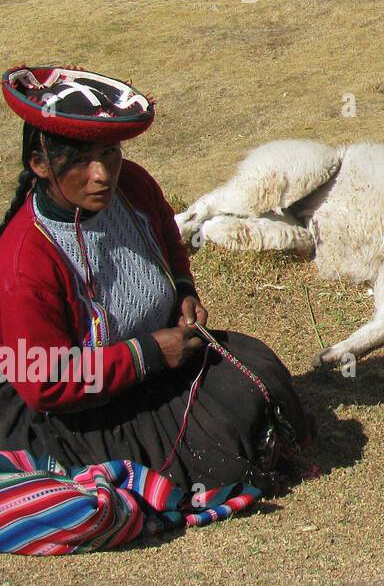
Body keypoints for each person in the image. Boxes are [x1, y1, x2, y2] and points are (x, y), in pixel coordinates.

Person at [0, 66, 310, 492]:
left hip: (155, 360)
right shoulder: (24, 260)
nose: (102, 174)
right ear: (39, 164)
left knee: (259, 368)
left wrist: (183, 292)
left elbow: (167, 240)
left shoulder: (133, 186)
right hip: (77, 409)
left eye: (109, 153)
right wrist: (148, 354)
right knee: (226, 430)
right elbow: (45, 381)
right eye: (82, 161)